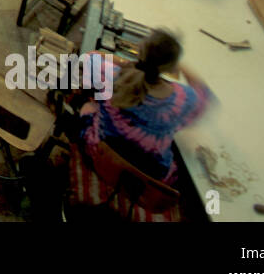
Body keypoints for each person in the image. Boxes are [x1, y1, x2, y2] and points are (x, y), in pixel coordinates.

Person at [76, 30, 212, 191]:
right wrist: (180, 65)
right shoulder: (184, 99)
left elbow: (91, 57)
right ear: (170, 66)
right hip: (149, 181)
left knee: (89, 105)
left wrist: (124, 62)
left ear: (140, 51)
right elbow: (205, 95)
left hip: (99, 155)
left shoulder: (113, 75)